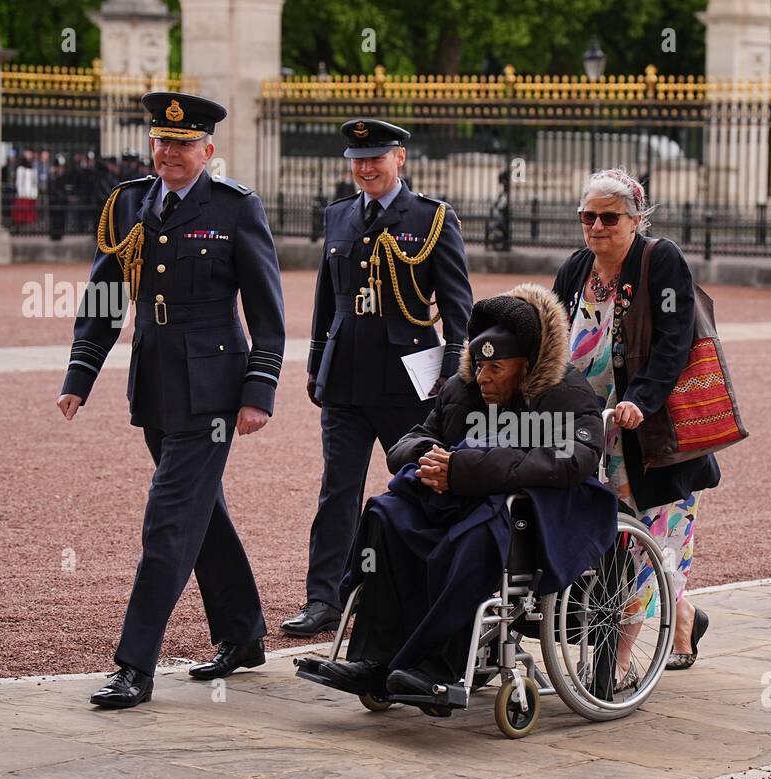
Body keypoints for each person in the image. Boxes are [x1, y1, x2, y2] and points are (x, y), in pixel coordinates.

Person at [56, 92, 286, 708]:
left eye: (183, 144)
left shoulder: (236, 208)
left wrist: (259, 390)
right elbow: (105, 295)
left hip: (213, 392)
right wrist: (81, 374)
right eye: (161, 141)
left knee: (167, 521)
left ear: (207, 150)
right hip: (155, 384)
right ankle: (242, 634)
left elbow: (267, 311)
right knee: (200, 513)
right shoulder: (129, 202)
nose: (170, 153)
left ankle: (134, 665)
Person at [302, 286, 616, 707]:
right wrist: (431, 458)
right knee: (385, 514)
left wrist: (465, 469)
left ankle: (439, 669)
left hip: (531, 514)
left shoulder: (564, 393)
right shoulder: (463, 388)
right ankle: (373, 659)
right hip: (456, 502)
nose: (484, 377)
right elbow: (413, 439)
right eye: (480, 363)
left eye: (497, 368)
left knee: (475, 534)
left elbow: (572, 458)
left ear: (526, 366)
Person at [281, 118, 473, 638]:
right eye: (357, 160)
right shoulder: (340, 215)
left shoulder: (432, 218)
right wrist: (315, 363)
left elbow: (459, 307)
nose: (365, 168)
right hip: (344, 377)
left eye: (376, 159)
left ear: (400, 159)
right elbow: (327, 299)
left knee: (419, 484)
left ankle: (426, 591)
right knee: (336, 492)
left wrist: (458, 374)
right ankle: (325, 598)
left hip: (410, 381)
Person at [552, 167, 721, 674]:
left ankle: (618, 661)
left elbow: (674, 341)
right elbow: (553, 340)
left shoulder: (659, 260)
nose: (597, 226)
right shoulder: (575, 268)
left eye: (609, 217)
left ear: (635, 219)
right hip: (590, 427)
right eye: (588, 216)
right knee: (601, 536)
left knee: (648, 542)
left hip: (648, 433)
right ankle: (684, 617)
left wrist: (641, 401)